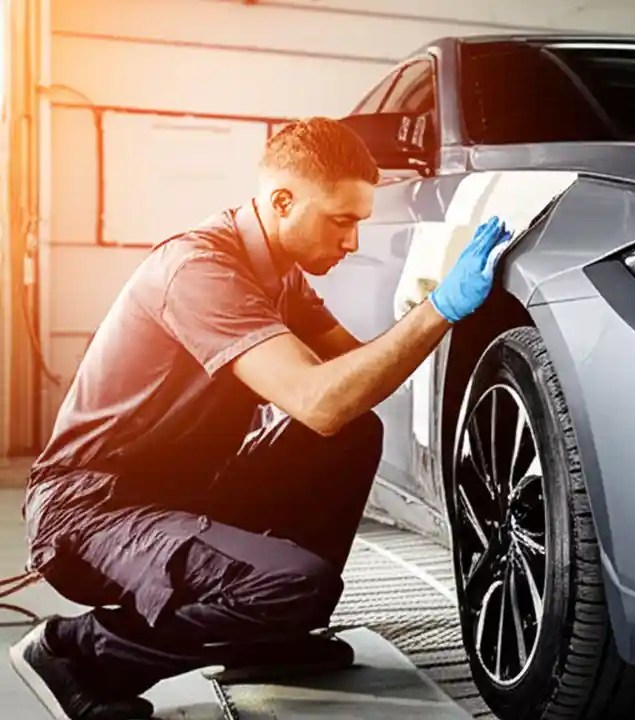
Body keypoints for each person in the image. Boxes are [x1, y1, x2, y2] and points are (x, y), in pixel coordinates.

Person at [8, 116, 510, 720]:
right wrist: (437, 311)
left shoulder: (284, 275)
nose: (352, 242)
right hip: (92, 512)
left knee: (354, 433)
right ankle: (77, 652)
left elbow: (355, 375)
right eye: (341, 220)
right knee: (296, 584)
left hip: (184, 490)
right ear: (281, 202)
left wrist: (442, 306)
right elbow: (319, 399)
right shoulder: (201, 270)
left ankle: (269, 639)